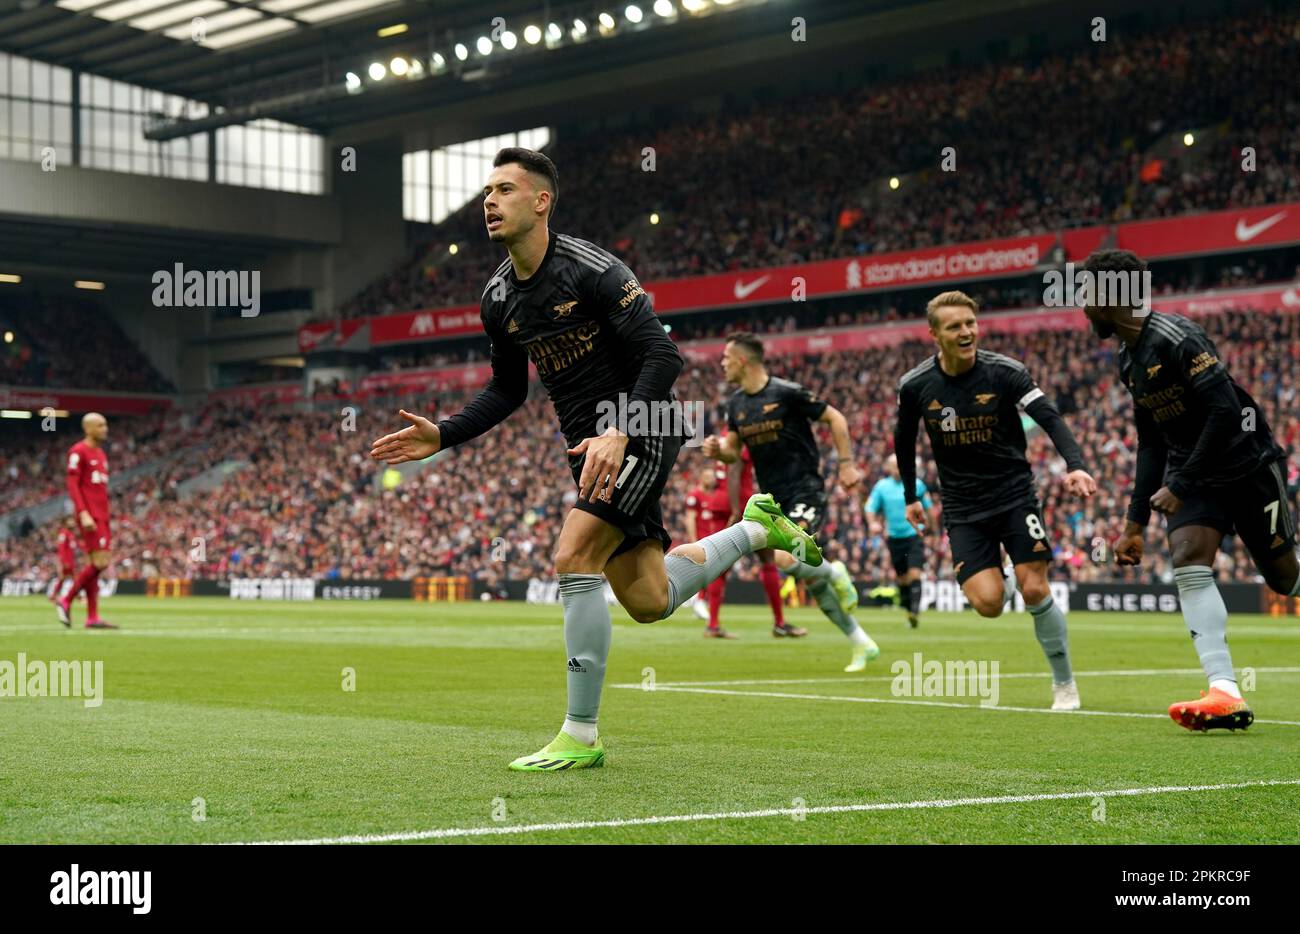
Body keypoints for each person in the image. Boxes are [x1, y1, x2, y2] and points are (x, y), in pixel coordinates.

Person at [370, 148, 820, 771]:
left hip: (646, 425)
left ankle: (581, 734)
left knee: (572, 556)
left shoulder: (593, 269)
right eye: (486, 193)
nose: (490, 203)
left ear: (541, 201)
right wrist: (443, 435)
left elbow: (664, 358)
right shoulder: (498, 298)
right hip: (587, 447)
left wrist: (620, 425)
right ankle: (752, 529)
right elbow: (508, 389)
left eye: (504, 190)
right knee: (647, 599)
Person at [1082, 248, 1300, 731]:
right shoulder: (1127, 357)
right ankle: (1224, 689)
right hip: (1194, 476)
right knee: (1187, 557)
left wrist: (1179, 483)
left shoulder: (1178, 337)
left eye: (1086, 294)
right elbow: (1150, 441)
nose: (1082, 307)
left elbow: (1225, 412)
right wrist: (1133, 524)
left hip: (1246, 464)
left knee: (1284, 579)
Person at [894, 291, 1096, 710]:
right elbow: (904, 441)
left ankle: (1064, 684)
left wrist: (1074, 464)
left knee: (1035, 587)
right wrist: (912, 496)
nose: (966, 331)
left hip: (1014, 495)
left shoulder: (1006, 372)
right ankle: (1000, 575)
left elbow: (1049, 417)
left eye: (970, 322)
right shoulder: (915, 386)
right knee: (988, 605)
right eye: (954, 326)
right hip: (962, 507)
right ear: (934, 334)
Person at [701, 332, 880, 672]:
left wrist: (846, 465)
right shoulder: (736, 405)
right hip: (772, 498)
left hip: (804, 488)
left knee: (786, 558)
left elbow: (836, 418)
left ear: (742, 360)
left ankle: (837, 571)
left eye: (726, 358)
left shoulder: (787, 393)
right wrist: (717, 451)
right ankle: (860, 642)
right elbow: (733, 452)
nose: (721, 364)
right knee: (813, 579)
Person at [57, 412, 118, 629]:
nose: (105, 429)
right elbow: (73, 485)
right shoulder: (78, 451)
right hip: (90, 514)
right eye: (101, 425)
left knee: (96, 563)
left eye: (105, 424)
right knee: (101, 562)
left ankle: (92, 617)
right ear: (88, 428)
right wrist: (82, 512)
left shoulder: (101, 454)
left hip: (102, 514)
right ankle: (66, 600)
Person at [864, 454, 936, 627]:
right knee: (902, 579)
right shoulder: (882, 487)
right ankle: (908, 609)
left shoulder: (916, 485)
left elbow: (929, 508)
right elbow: (869, 507)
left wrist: (933, 530)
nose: (897, 468)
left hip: (914, 535)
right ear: (888, 467)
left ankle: (914, 612)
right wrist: (873, 523)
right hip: (894, 538)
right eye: (894, 465)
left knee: (915, 573)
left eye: (900, 465)